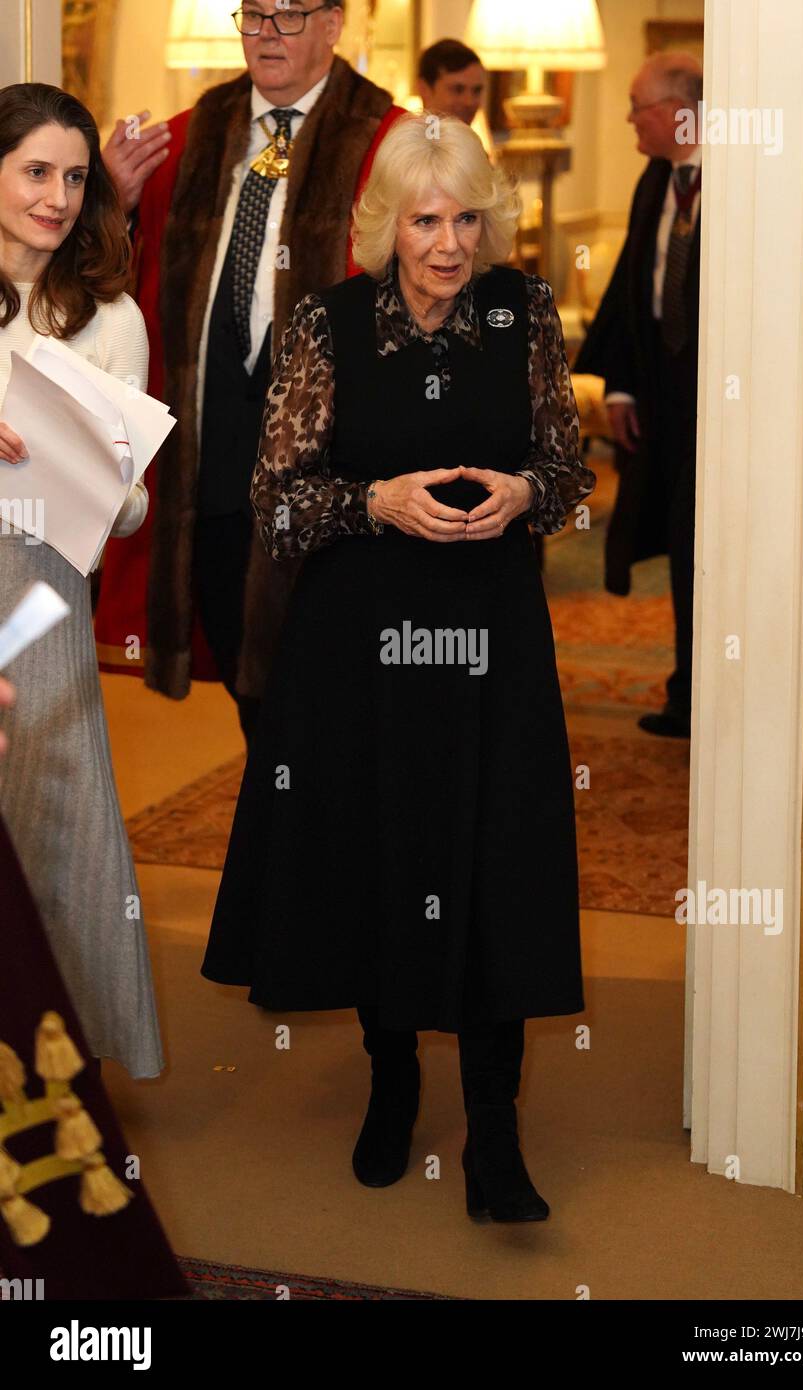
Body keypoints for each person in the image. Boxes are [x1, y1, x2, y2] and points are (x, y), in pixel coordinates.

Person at [201, 113, 595, 1223]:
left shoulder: (524, 313)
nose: (451, 243)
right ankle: (390, 1081)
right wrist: (374, 501)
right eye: (427, 218)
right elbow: (276, 501)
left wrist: (528, 494)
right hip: (359, 645)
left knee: (495, 859)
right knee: (379, 849)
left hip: (493, 639)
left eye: (468, 216)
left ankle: (497, 1134)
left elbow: (569, 471)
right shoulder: (326, 324)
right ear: (388, 224)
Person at [93, 0, 404, 747]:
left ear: (334, 23)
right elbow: (105, 293)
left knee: (339, 694)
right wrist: (113, 207)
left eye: (289, 16)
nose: (266, 33)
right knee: (249, 683)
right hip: (219, 472)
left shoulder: (394, 143)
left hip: (338, 476)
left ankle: (329, 852)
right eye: (253, 14)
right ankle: (283, 846)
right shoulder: (187, 139)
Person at [0, 83, 163, 1080]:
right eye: (34, 172)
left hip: (43, 592)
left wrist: (95, 475)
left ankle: (53, 1073)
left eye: (72, 176)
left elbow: (133, 506)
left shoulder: (107, 316)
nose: (57, 197)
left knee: (50, 838)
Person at [574, 51, 702, 739]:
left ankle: (711, 690)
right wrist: (619, 385)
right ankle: (685, 692)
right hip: (659, 394)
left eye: (636, 105)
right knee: (678, 539)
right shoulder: (654, 182)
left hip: (721, 401)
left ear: (678, 112)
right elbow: (632, 288)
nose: (628, 118)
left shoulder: (738, 180)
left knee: (709, 544)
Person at [417, 39, 486, 127]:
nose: (469, 102)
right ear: (424, 89)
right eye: (458, 90)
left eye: (476, 91)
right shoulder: (402, 139)